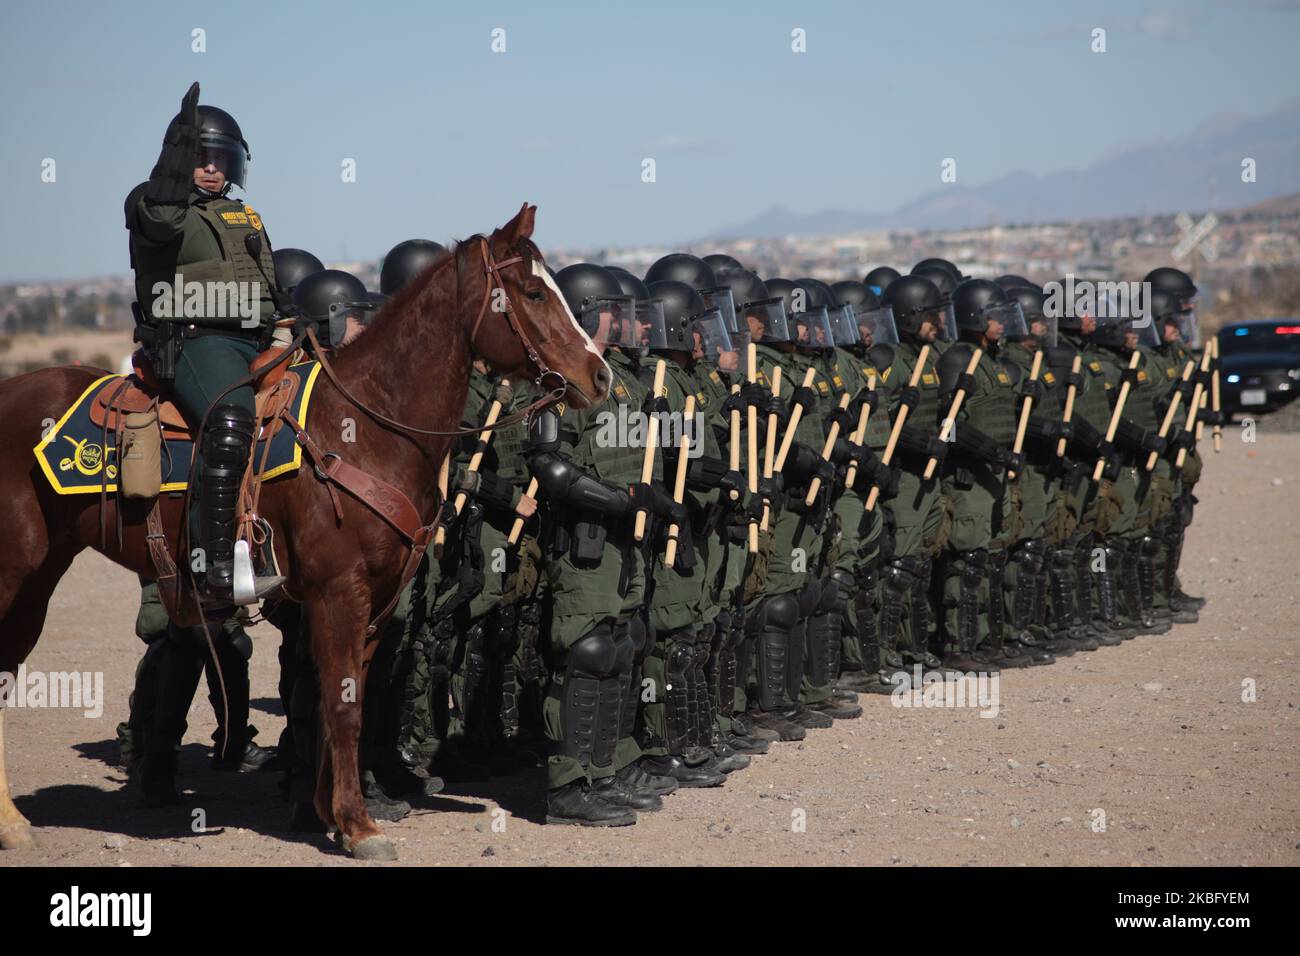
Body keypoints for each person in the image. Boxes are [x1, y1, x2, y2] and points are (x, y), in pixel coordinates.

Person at [126, 81, 285, 604]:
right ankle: (210, 564)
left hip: (255, 340)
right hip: (195, 343)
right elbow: (160, 215)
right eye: (198, 157)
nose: (211, 168)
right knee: (231, 419)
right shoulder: (155, 206)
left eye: (219, 158)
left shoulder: (245, 213)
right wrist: (173, 158)